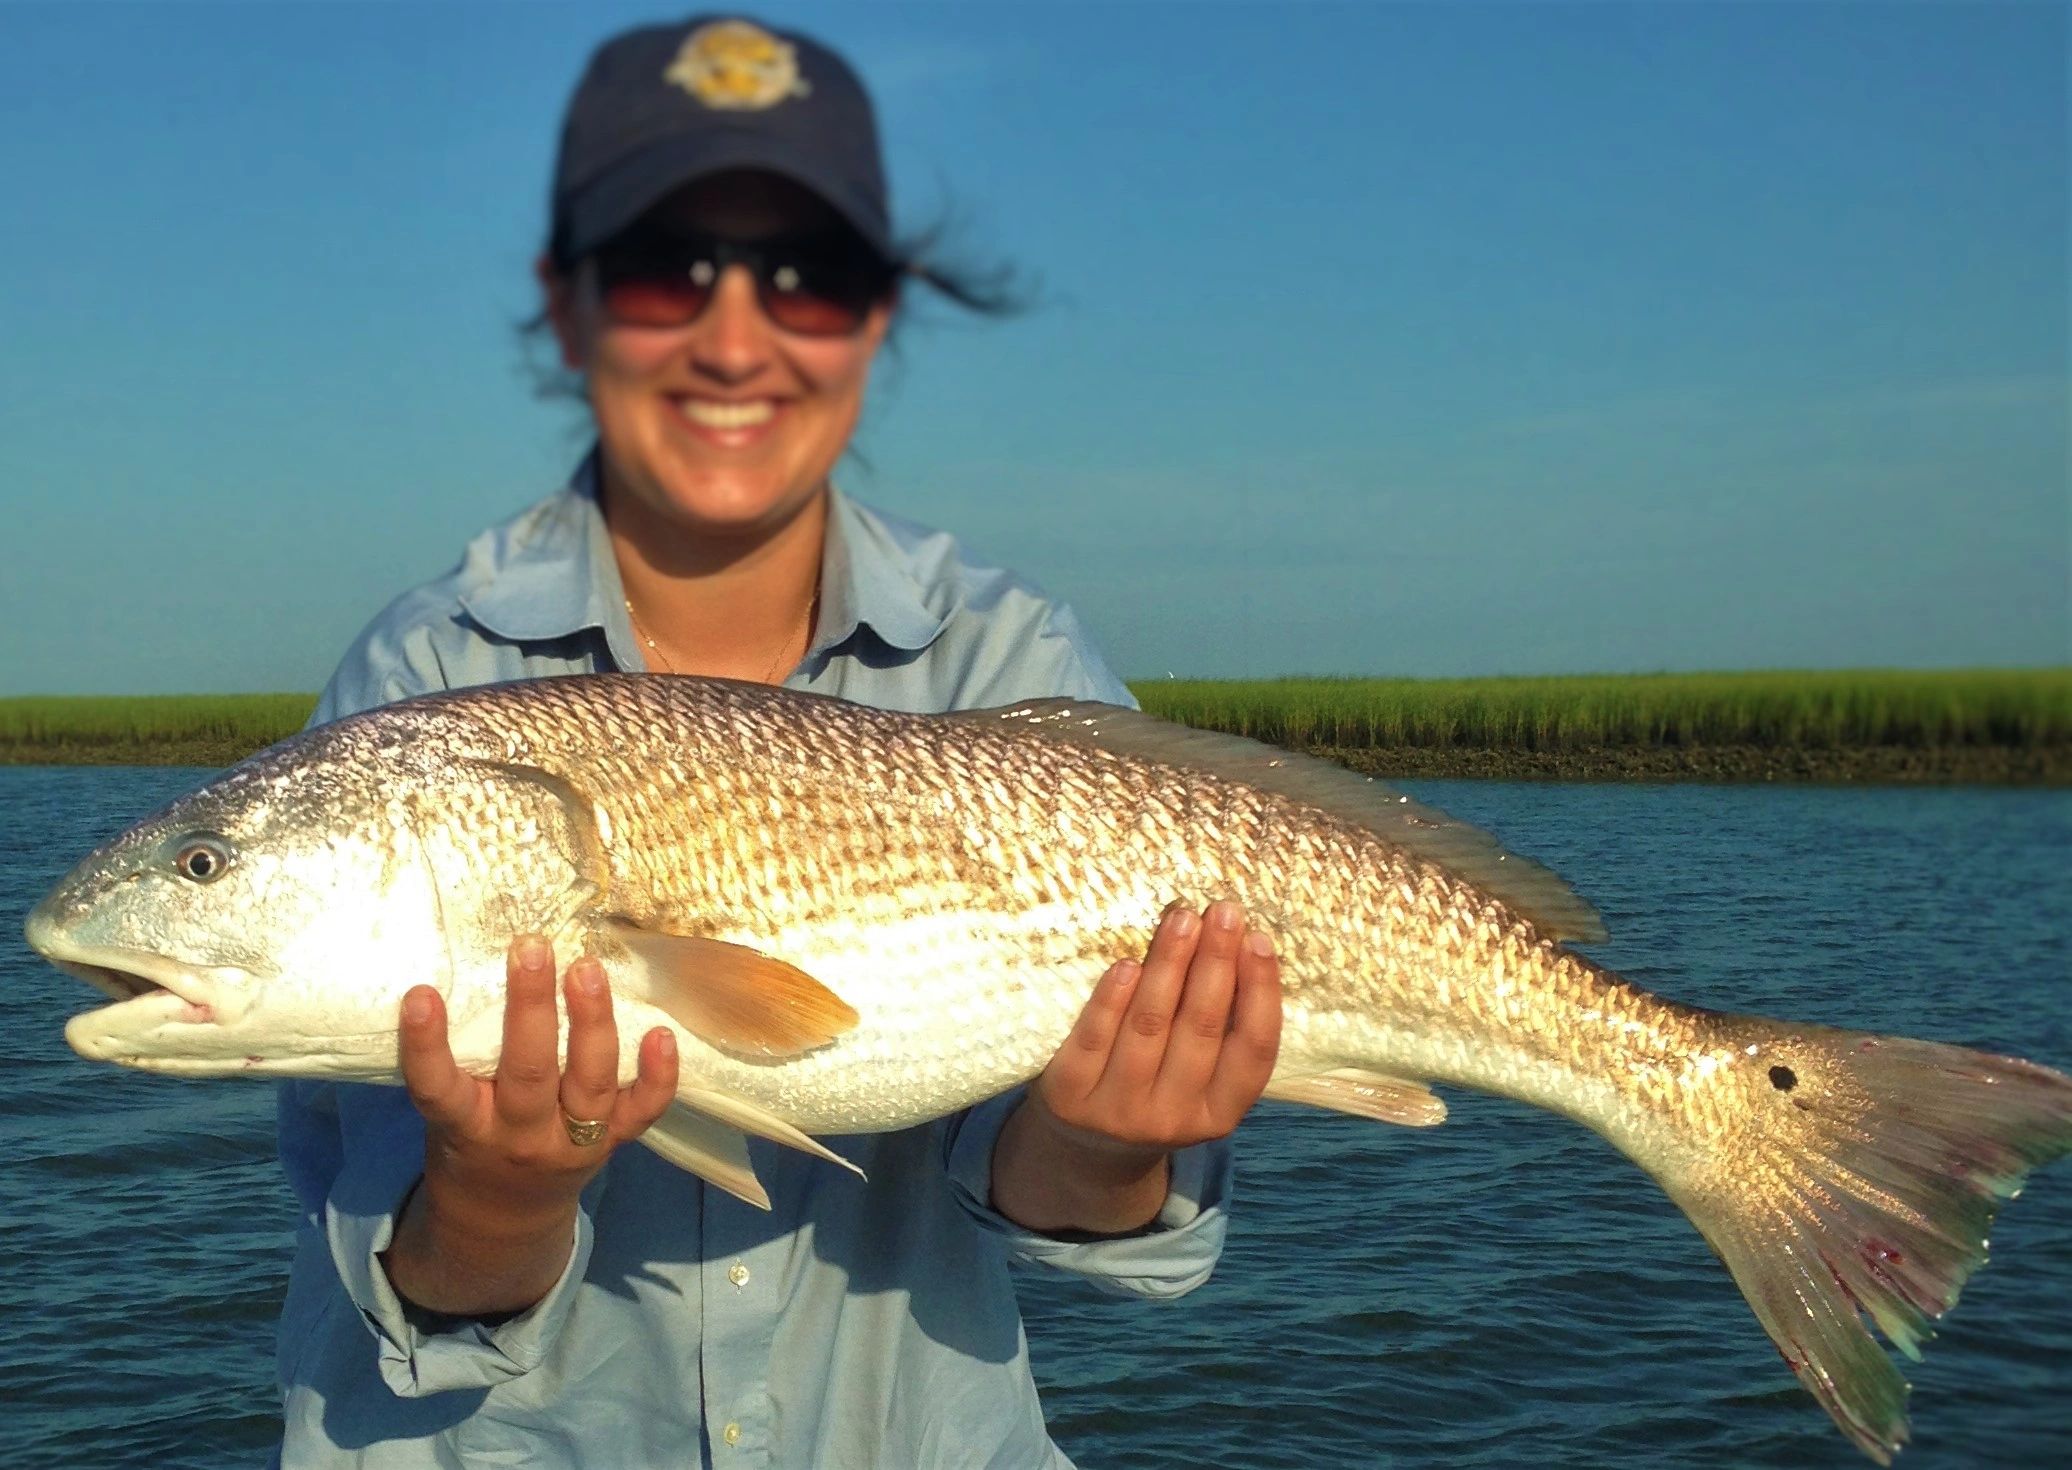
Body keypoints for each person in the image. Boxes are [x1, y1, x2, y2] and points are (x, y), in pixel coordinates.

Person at [274, 15, 1282, 1468]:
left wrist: (1110, 1140)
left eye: (810, 279)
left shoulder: (1008, 659)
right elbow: (410, 1301)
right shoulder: (427, 687)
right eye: (660, 267)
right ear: (564, 307)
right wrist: (495, 1195)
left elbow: (1084, 1217)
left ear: (880, 315)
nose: (734, 338)